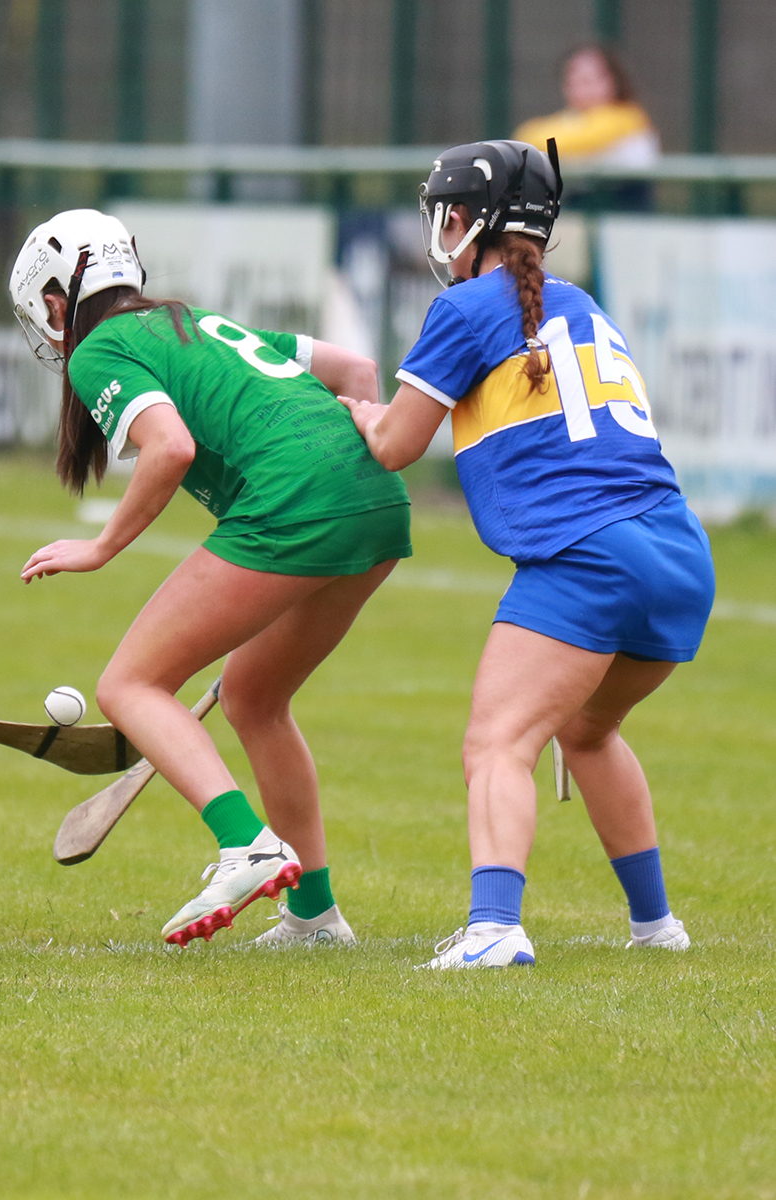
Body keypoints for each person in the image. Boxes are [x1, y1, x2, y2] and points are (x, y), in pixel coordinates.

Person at [340, 140, 714, 969]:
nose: (442, 233)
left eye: (448, 217)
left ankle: (496, 928)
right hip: (679, 555)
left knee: (497, 740)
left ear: (476, 222)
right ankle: (657, 926)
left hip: (590, 555)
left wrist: (362, 415)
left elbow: (398, 445)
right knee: (586, 730)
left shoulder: (466, 309)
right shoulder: (583, 302)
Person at [9, 210, 412, 948]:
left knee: (129, 685)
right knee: (255, 697)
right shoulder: (194, 321)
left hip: (293, 502)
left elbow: (168, 448)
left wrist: (102, 547)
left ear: (60, 301)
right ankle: (315, 917)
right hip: (379, 502)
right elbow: (354, 371)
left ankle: (248, 846)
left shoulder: (99, 349)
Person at [514, 43, 657, 210]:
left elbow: (568, 142)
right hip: (579, 208)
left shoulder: (628, 117)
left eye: (588, 80)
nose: (580, 88)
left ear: (614, 81)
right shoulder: (571, 119)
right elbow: (525, 136)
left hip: (623, 213)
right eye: (572, 81)